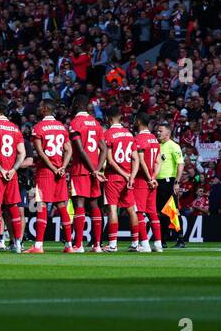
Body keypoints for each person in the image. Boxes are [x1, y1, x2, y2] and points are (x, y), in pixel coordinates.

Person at [27, 100, 74, 254]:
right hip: (59, 172)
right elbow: (69, 150)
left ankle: (39, 245)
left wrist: (54, 168)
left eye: (40, 106)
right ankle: (69, 245)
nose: (38, 108)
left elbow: (40, 152)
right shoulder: (62, 127)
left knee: (41, 205)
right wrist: (62, 167)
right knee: (62, 207)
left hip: (46, 172)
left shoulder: (39, 127)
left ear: (46, 109)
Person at [0, 100, 27, 253]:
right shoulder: (15, 128)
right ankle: (18, 244)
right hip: (12, 174)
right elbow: (22, 153)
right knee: (13, 208)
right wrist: (13, 169)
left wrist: (1, 169)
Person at [68, 94, 107, 253]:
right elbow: (104, 149)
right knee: (94, 205)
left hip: (81, 170)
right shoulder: (96, 123)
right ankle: (97, 245)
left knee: (79, 204)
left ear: (76, 105)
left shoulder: (75, 123)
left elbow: (80, 149)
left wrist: (92, 170)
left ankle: (78, 245)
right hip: (95, 171)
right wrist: (97, 169)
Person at [102, 106, 141, 253]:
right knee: (131, 210)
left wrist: (124, 175)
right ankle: (135, 244)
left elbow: (110, 160)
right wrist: (131, 176)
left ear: (108, 119)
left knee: (112, 209)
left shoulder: (108, 134)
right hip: (128, 178)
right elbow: (136, 159)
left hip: (113, 177)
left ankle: (112, 245)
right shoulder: (129, 134)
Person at [133, 113, 163, 253]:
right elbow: (158, 161)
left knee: (139, 212)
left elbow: (141, 161)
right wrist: (153, 177)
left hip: (141, 180)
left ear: (139, 121)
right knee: (152, 212)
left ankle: (144, 244)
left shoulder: (139, 139)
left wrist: (148, 178)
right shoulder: (154, 140)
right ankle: (158, 243)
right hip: (152, 180)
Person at [155, 122, 185, 247]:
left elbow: (180, 164)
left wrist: (176, 182)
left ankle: (180, 239)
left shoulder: (174, 146)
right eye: (157, 131)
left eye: (160, 131)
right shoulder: (157, 146)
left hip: (169, 182)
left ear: (168, 133)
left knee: (173, 211)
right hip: (158, 182)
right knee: (160, 212)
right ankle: (163, 240)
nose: (158, 133)